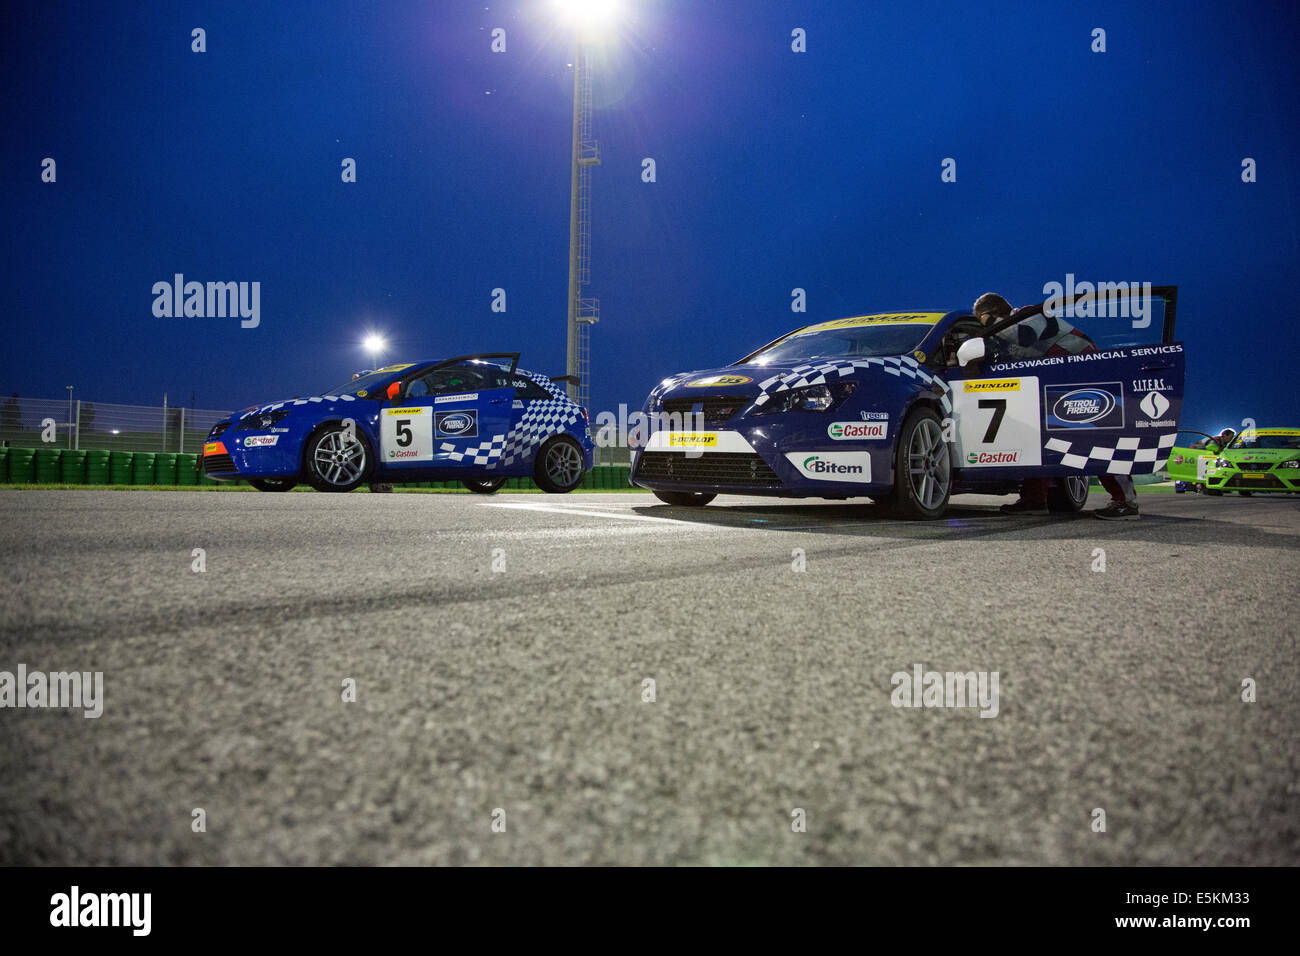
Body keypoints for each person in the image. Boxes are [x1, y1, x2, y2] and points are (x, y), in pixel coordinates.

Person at [969, 293, 1138, 519]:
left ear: (991, 314)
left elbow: (1025, 337)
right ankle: (1034, 500)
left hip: (1081, 372)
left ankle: (1126, 502)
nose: (983, 324)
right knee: (1037, 437)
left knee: (1095, 435)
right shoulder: (1003, 336)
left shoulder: (1029, 315)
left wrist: (989, 324)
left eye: (981, 318)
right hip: (1050, 382)